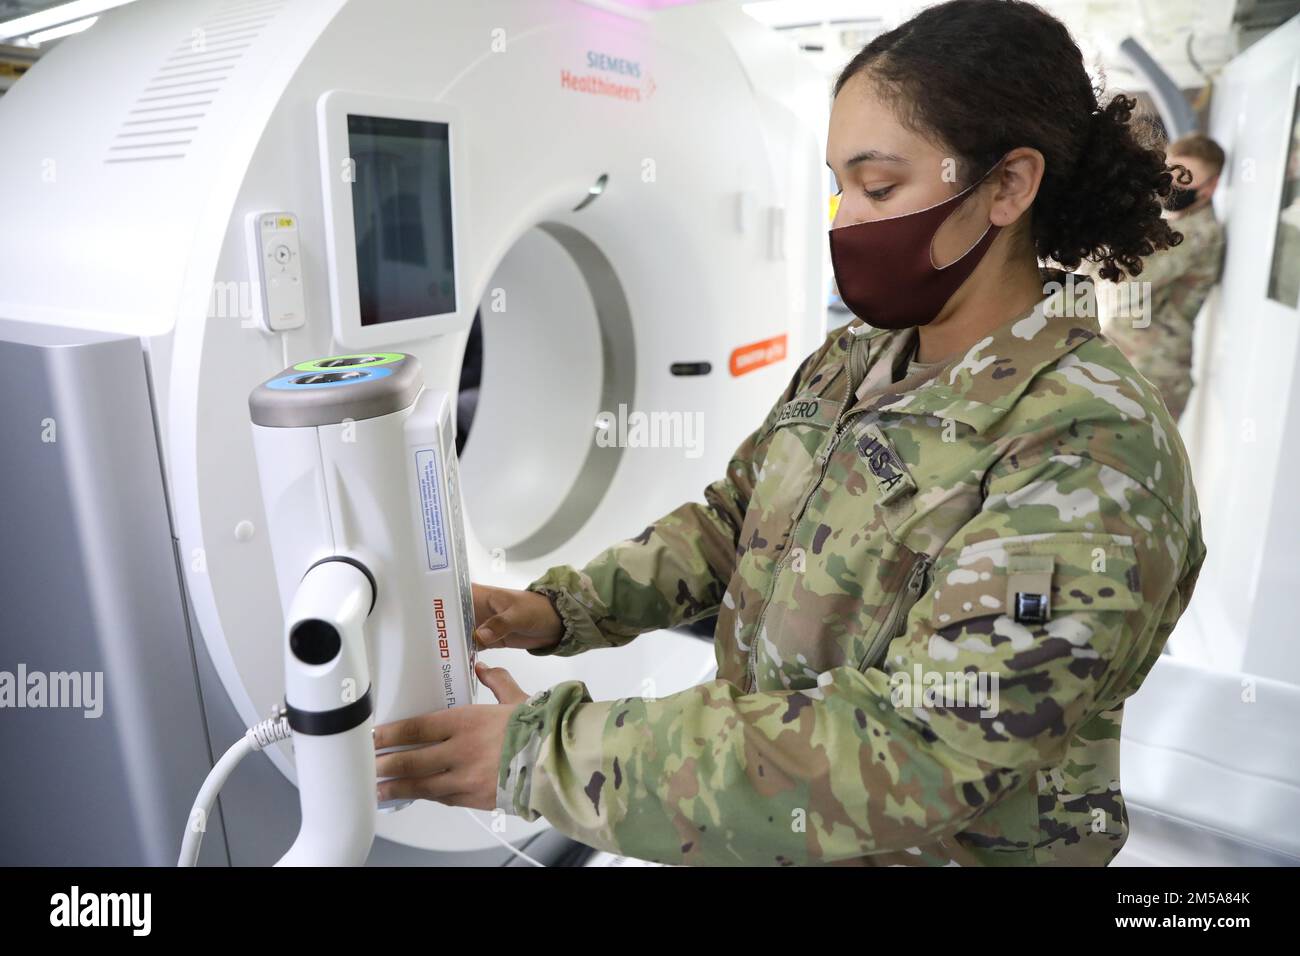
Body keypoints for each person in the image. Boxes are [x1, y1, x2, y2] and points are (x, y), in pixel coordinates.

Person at [373, 0, 1206, 866]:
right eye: (840, 187)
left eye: (878, 188)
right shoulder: (854, 360)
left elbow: (926, 747)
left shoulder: (1089, 448)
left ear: (1007, 186)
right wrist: (558, 609)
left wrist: (546, 756)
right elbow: (734, 522)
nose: (843, 220)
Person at [1089, 133, 1226, 421]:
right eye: (1169, 173)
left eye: (1185, 179)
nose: (1172, 185)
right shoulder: (1168, 224)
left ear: (1210, 187)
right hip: (1126, 361)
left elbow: (1128, 282)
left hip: (1153, 374)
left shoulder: (1198, 233)